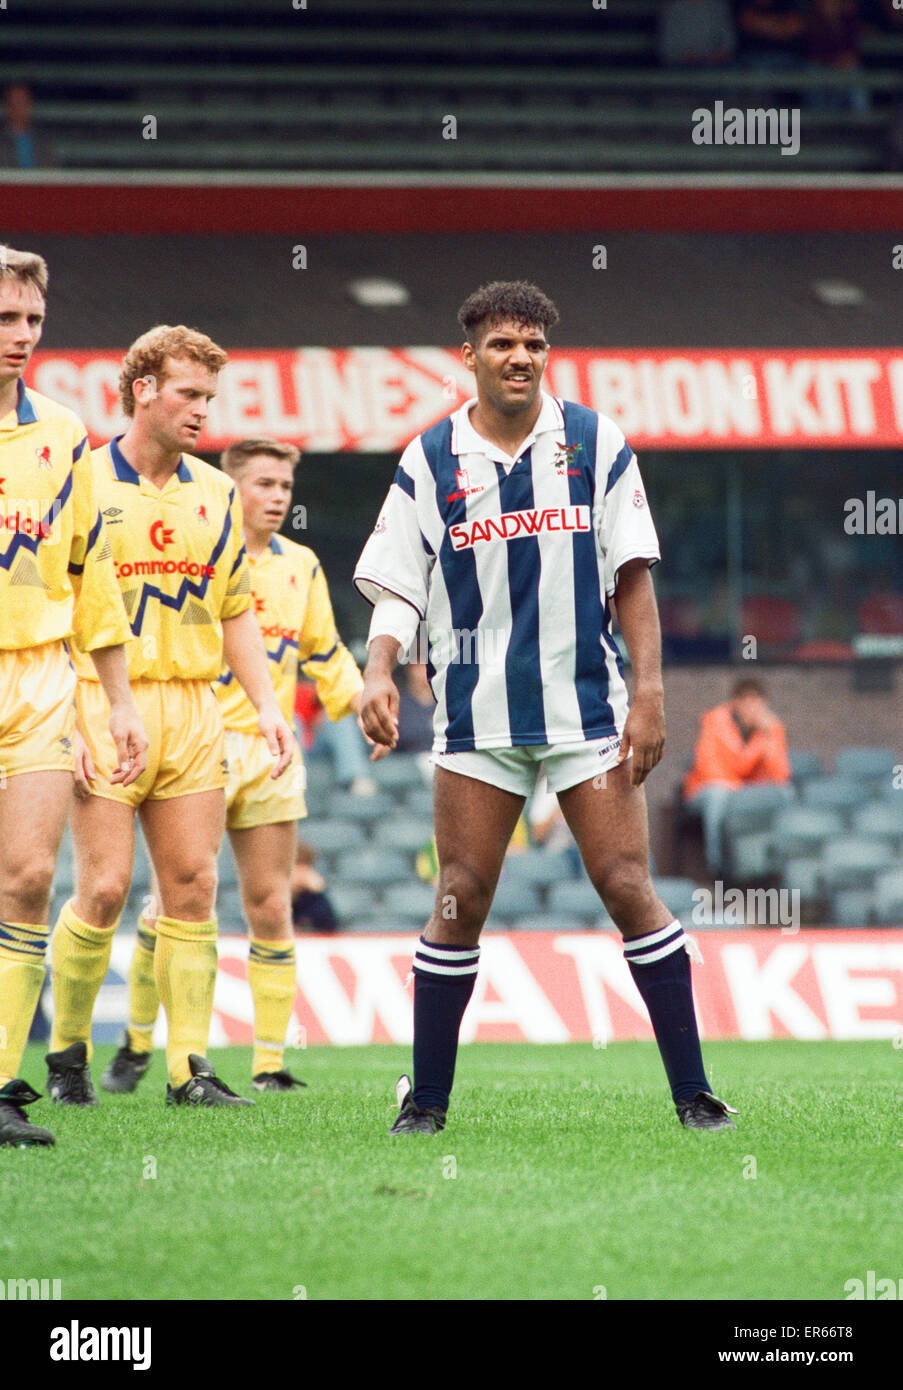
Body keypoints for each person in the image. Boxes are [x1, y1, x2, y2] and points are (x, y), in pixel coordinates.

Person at [356, 280, 736, 1134]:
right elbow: (398, 587)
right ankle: (425, 1102)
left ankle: (694, 1093)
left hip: (585, 713)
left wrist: (650, 691)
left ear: (546, 354)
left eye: (532, 343)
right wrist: (379, 667)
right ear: (469, 357)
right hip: (476, 717)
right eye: (501, 344)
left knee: (627, 885)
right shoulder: (429, 458)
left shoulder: (597, 445)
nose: (519, 357)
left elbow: (631, 574)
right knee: (460, 891)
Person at [45, 331, 294, 1113]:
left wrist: (265, 706)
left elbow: (235, 613)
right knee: (108, 887)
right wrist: (69, 716)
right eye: (189, 394)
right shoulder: (81, 480)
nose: (202, 412)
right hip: (100, 699)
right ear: (143, 389)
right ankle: (67, 1053)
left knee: (191, 886)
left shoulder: (217, 491)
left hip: (193, 707)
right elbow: (55, 606)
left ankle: (189, 1068)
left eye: (209, 399)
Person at [103, 435, 376, 1094]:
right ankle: (139, 1042)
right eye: (263, 485)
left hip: (266, 751)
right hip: (196, 739)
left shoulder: (301, 566)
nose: (277, 498)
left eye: (285, 487)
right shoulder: (194, 548)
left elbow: (324, 650)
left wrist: (361, 703)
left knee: (270, 903)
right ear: (232, 488)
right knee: (171, 902)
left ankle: (269, 1062)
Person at [0, 246, 148, 1149]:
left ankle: (3, 1088)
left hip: (47, 676)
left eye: (31, 322)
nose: (20, 338)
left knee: (25, 879)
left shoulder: (64, 436)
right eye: (4, 320)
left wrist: (119, 699)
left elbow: (94, 580)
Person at [683, 676, 793, 873]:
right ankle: (717, 868)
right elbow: (709, 769)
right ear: (735, 702)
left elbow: (780, 776)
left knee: (785, 793)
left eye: (757, 701)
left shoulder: (771, 728)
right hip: (707, 790)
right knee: (720, 795)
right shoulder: (716, 721)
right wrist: (739, 789)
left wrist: (768, 736)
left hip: (745, 792)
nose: (752, 707)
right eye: (747, 701)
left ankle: (777, 865)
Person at [657, 0, 737, 65]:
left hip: (715, 71)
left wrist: (715, 57)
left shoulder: (718, 6)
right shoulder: (674, 9)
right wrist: (688, 58)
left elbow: (728, 44)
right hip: (679, 71)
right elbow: (667, 48)